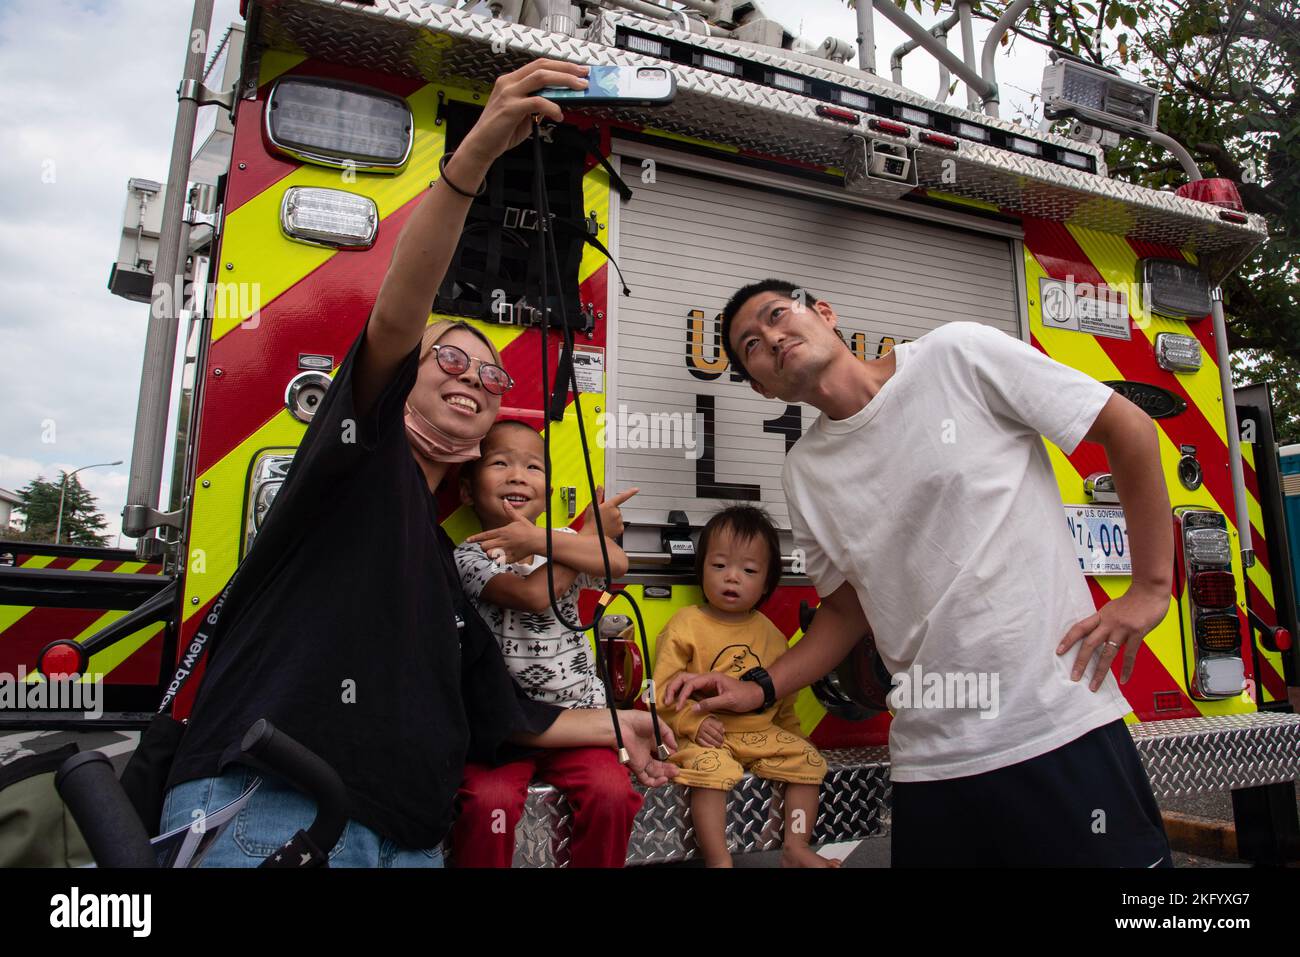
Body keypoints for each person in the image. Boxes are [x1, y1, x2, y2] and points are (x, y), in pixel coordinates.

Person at [159, 59, 676, 868]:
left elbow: (507, 716)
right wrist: (475, 158)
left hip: (407, 837)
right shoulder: (356, 464)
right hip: (275, 807)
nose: (473, 377)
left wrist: (625, 722)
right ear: (403, 385)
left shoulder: (445, 564)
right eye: (450, 361)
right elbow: (398, 315)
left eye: (492, 377)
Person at [663, 279, 1174, 867]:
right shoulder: (803, 473)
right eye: (752, 344)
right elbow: (846, 609)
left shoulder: (957, 354)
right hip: (930, 765)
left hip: (1054, 727)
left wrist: (1150, 588)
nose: (772, 337)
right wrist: (759, 687)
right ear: (760, 387)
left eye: (778, 314)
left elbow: (1127, 428)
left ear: (824, 313)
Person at [449, 420, 643, 867]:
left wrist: (554, 540)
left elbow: (617, 562)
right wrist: (586, 537)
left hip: (579, 722)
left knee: (613, 794)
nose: (518, 476)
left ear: (548, 491)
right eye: (500, 463)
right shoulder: (469, 555)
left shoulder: (562, 542)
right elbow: (534, 596)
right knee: (488, 804)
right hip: (505, 729)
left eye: (533, 467)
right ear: (467, 491)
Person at [652, 505, 838, 868]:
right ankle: (718, 860)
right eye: (719, 565)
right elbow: (661, 694)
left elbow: (783, 701)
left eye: (749, 570)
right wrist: (693, 723)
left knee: (809, 762)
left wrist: (795, 737)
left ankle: (796, 847)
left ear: (767, 582)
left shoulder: (772, 635)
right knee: (710, 771)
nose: (732, 577)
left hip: (760, 733)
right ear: (701, 569)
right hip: (704, 736)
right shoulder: (684, 626)